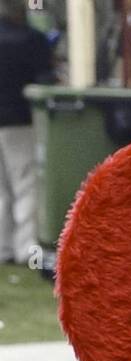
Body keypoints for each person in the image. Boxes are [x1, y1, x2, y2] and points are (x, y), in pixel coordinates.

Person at [0, 0, 52, 265]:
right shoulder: (32, 40)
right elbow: (45, 78)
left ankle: (4, 247)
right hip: (20, 120)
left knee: (2, 188)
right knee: (25, 183)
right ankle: (25, 248)